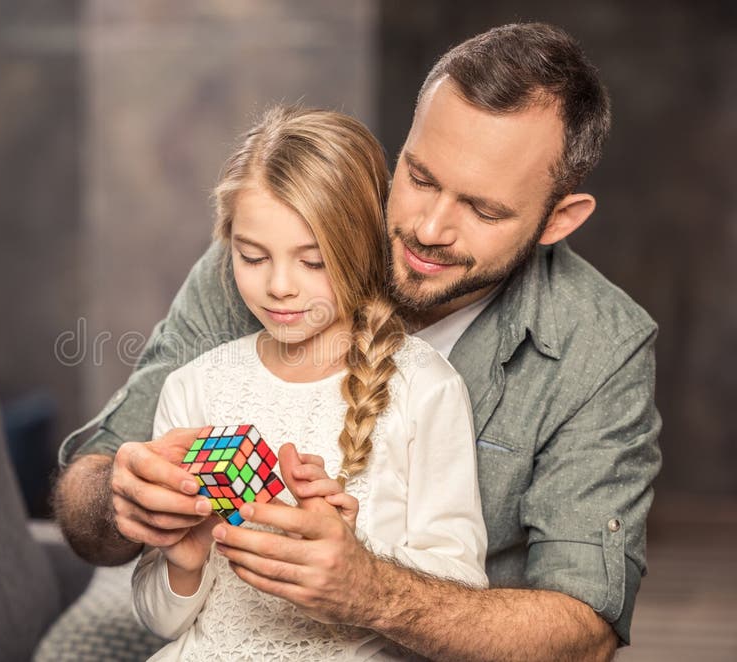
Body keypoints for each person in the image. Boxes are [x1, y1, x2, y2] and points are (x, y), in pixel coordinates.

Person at [54, 22, 662, 661]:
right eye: (421, 177)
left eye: (483, 211)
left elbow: (585, 633)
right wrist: (125, 501)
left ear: (558, 220)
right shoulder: (272, 246)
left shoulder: (600, 346)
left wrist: (369, 589)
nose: (428, 228)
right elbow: (89, 493)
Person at [130, 106, 488, 660]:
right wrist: (183, 558)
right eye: (252, 257)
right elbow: (160, 621)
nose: (279, 286)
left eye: (313, 262)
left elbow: (463, 592)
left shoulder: (426, 388)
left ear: (361, 249)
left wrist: (359, 562)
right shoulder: (194, 387)